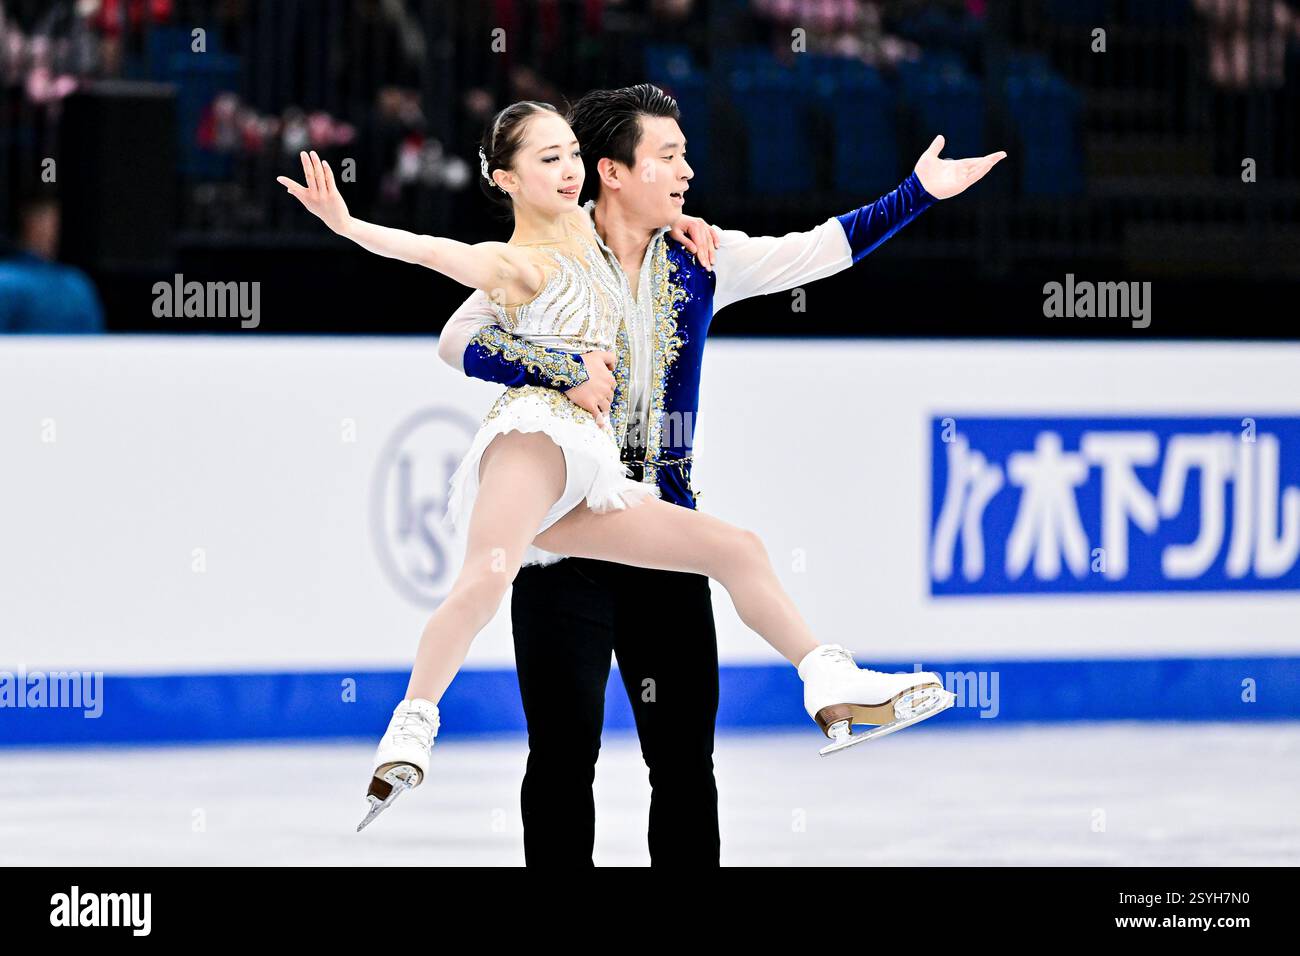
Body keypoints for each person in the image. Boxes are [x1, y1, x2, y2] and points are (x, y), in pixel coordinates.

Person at [277, 98, 986, 836]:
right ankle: (416, 721)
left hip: (651, 528)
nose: (687, 171)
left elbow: (820, 248)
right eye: (669, 155)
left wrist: (918, 193)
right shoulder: (551, 250)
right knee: (560, 756)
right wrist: (560, 367)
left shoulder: (701, 255)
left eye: (685, 154)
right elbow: (458, 340)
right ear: (613, 173)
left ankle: (830, 682)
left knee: (685, 762)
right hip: (559, 539)